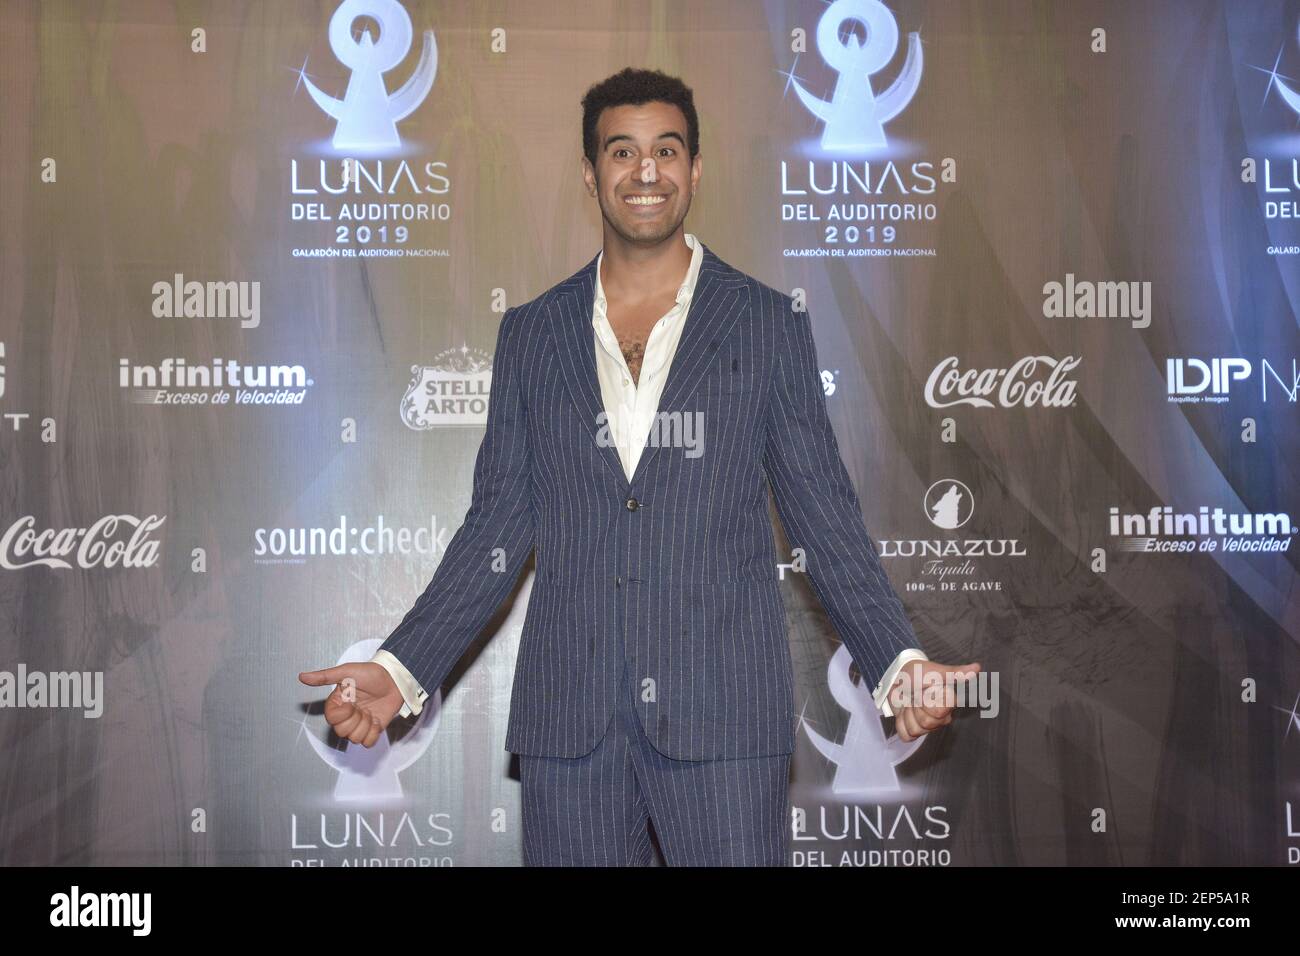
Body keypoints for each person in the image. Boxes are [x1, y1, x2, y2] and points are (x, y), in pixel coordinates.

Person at [300, 67, 979, 866]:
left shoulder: (766, 326)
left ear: (696, 170)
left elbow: (823, 516)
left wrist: (895, 660)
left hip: (723, 718)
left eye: (667, 149)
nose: (646, 170)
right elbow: (497, 524)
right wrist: (401, 666)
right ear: (591, 174)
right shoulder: (532, 334)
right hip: (570, 726)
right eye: (622, 151)